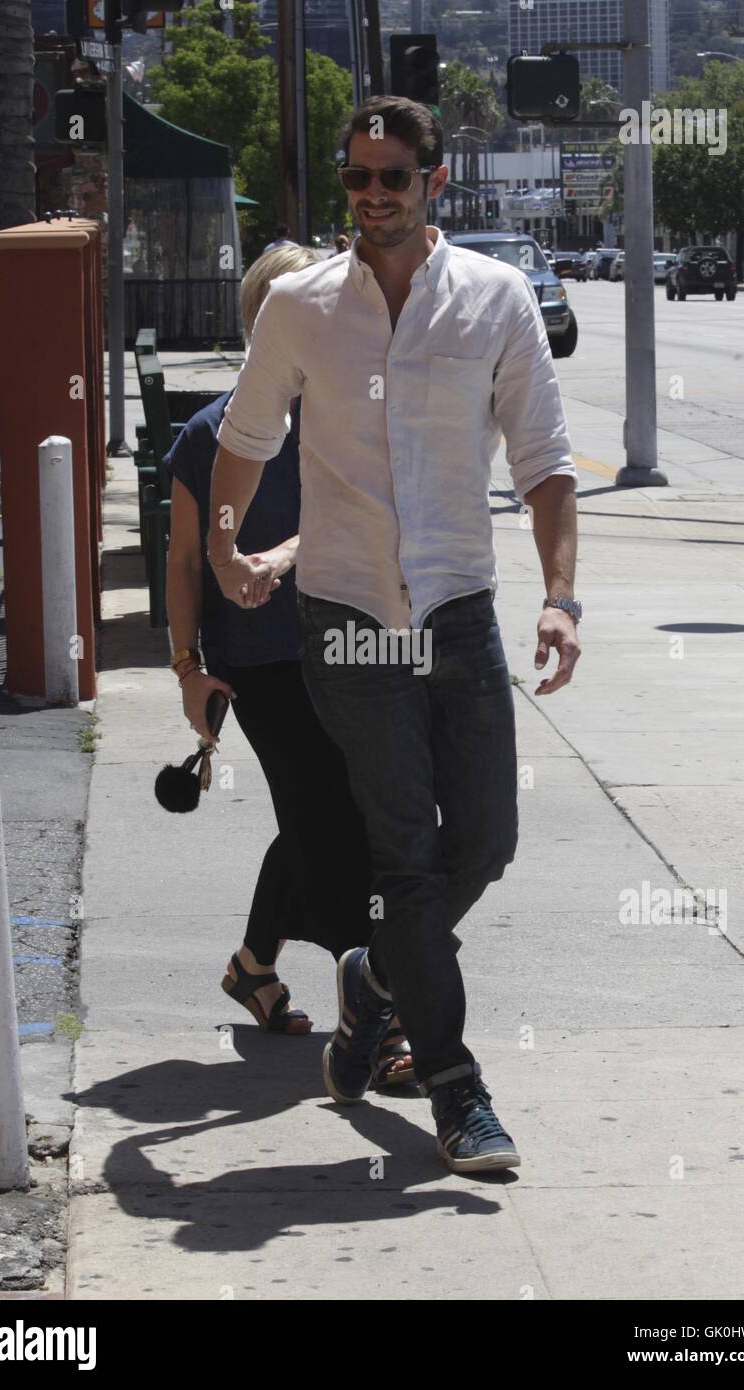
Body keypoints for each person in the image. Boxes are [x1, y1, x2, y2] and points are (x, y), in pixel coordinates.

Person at [208, 96, 580, 1173]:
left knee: (488, 840)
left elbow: (546, 461)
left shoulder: (497, 299)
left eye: (395, 177)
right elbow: (242, 438)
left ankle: (374, 976)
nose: (374, 194)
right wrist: (232, 545)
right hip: (347, 615)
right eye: (359, 177)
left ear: (436, 182)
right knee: (408, 858)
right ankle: (457, 1090)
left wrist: (560, 596)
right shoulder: (303, 308)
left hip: (458, 612)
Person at [163, 243, 413, 1083]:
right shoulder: (207, 434)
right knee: (334, 831)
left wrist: (286, 554)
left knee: (322, 817)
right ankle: (380, 1024)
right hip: (263, 668)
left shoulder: (344, 419)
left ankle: (252, 966)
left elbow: (372, 523)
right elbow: (185, 561)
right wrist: (186, 668)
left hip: (350, 647)